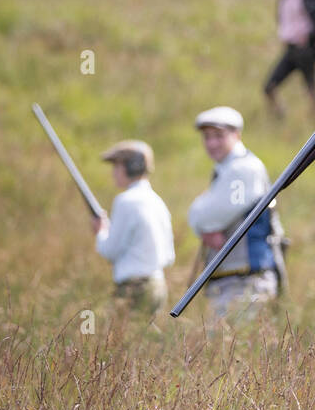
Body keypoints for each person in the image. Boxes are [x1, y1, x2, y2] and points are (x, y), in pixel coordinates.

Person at [187, 106, 283, 322]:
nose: (211, 143)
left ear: (237, 135)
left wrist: (201, 220)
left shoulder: (243, 170)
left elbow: (206, 216)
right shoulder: (227, 170)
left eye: (219, 136)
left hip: (245, 282)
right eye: (207, 137)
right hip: (233, 281)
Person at [92, 140, 175, 315]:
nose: (114, 173)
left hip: (134, 289)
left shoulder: (125, 201)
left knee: (112, 337)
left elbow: (110, 250)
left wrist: (101, 231)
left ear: (131, 167)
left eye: (117, 166)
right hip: (158, 286)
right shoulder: (157, 201)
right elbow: (169, 257)